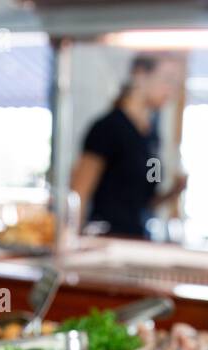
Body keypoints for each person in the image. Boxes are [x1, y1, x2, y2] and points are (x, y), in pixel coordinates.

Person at [70, 54, 187, 240]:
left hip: (137, 239)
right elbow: (79, 193)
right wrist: (71, 241)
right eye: (168, 80)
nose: (171, 91)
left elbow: (148, 196)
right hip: (104, 240)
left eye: (176, 84)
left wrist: (174, 191)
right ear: (140, 74)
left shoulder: (152, 138)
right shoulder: (108, 128)